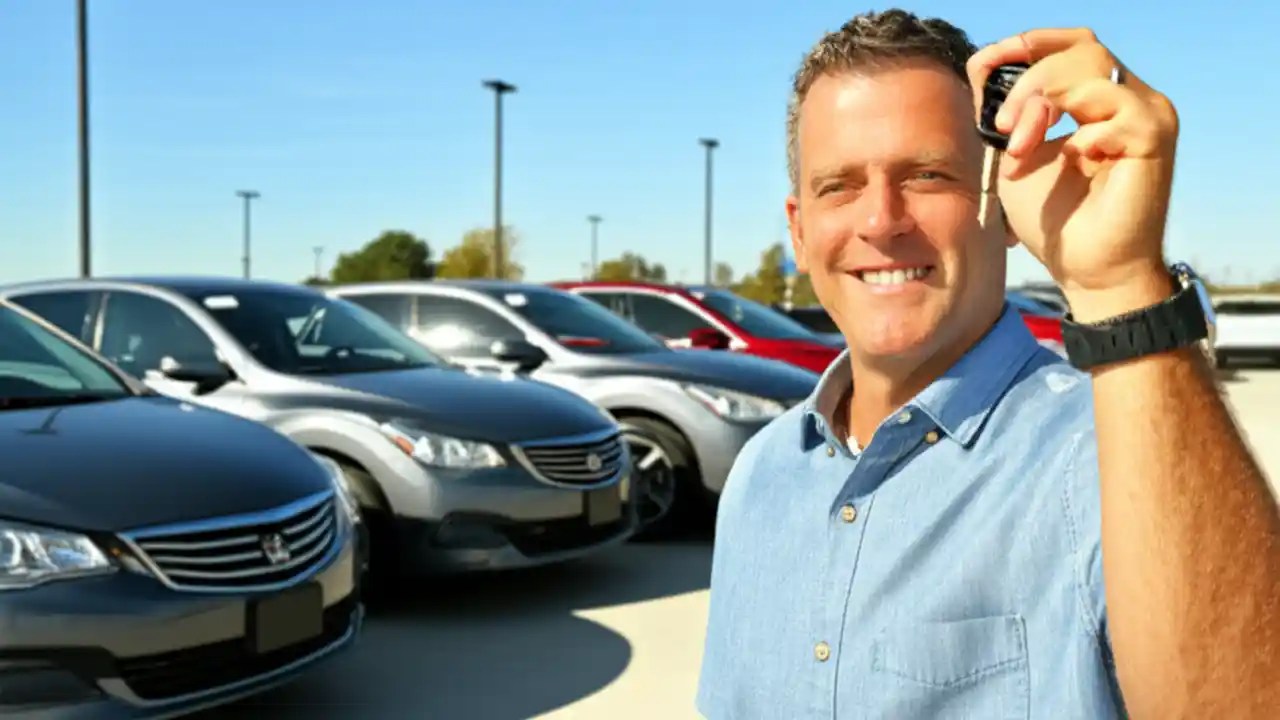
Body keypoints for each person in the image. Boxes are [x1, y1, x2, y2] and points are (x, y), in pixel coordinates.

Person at [696, 9, 1280, 719]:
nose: (880, 220)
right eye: (839, 185)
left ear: (1002, 205)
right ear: (798, 226)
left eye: (928, 174)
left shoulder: (1110, 459)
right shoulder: (762, 476)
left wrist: (1120, 283)